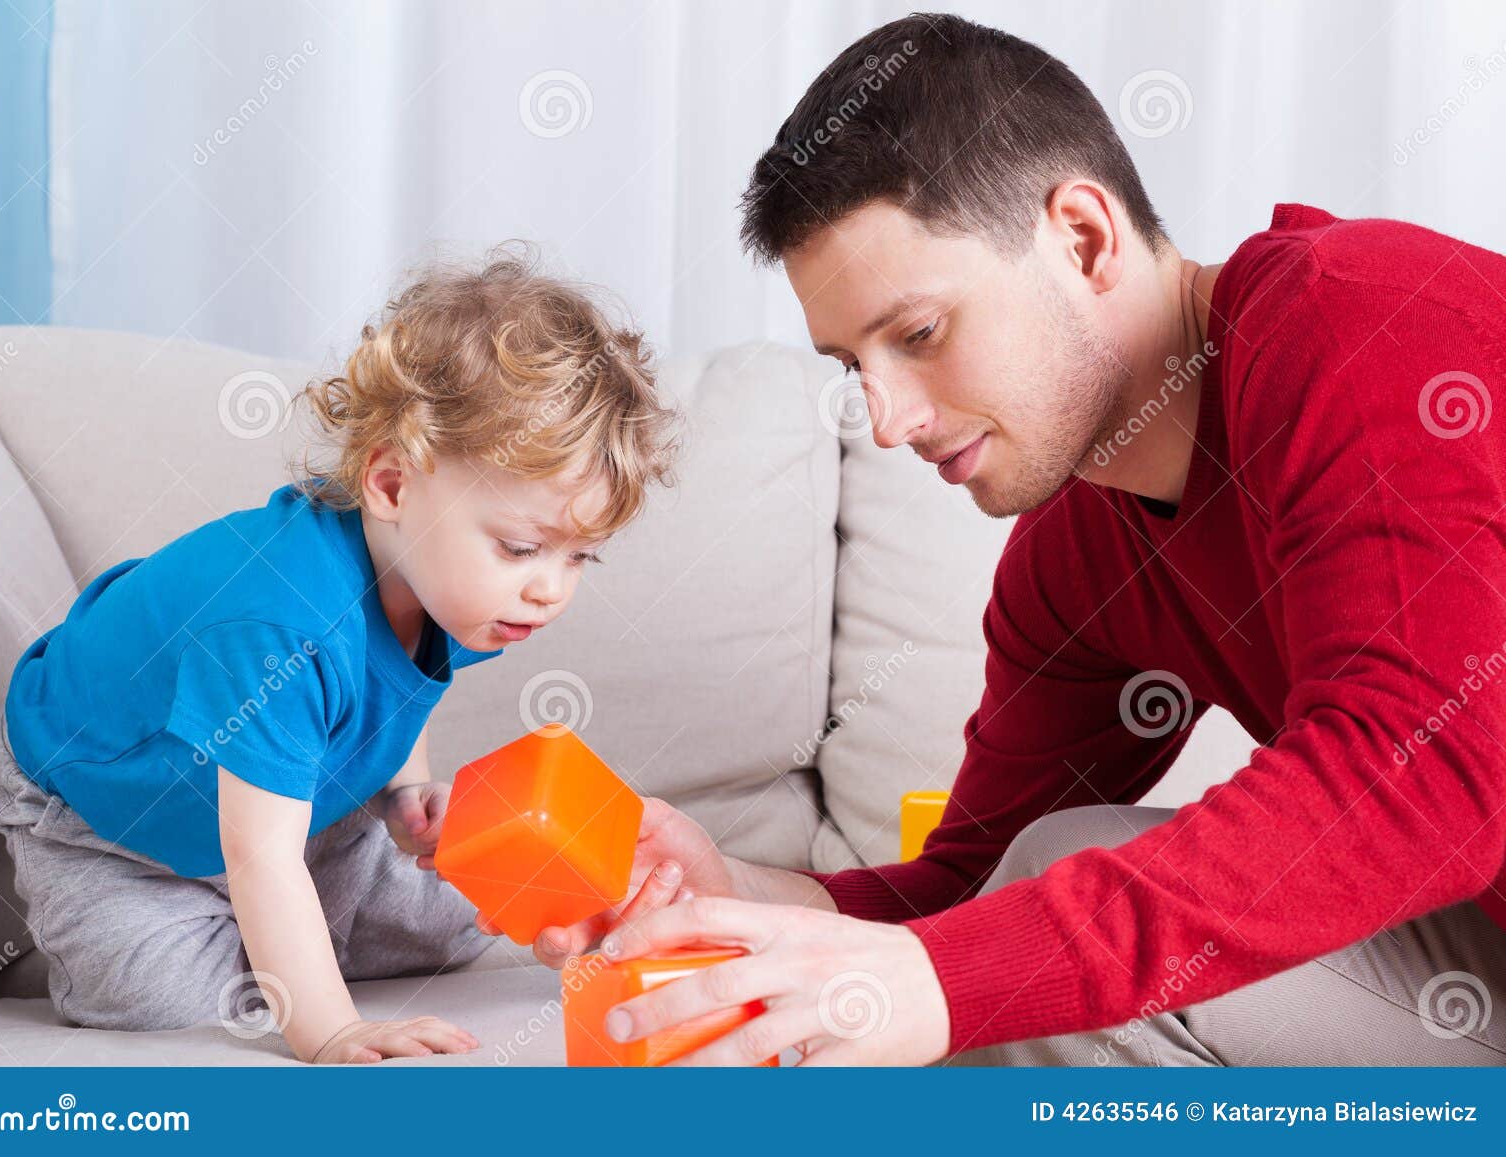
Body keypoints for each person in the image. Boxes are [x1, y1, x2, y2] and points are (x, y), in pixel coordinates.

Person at [498, 14, 1506, 1066]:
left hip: (1458, 875)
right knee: (1048, 870)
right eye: (853, 362)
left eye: (920, 334)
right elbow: (965, 888)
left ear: (1081, 238)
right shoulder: (1070, 555)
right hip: (1476, 947)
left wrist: (942, 979)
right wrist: (742, 891)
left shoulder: (1357, 320)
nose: (885, 418)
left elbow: (1419, 778)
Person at [0, 250, 679, 1064]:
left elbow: (403, 691)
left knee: (460, 913)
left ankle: (281, 924)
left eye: (578, 558)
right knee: (157, 992)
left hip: (290, 805)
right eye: (525, 546)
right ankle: (242, 929)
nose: (550, 590)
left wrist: (406, 793)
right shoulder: (284, 623)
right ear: (390, 485)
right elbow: (258, 850)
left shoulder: (456, 583)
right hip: (111, 819)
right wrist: (330, 1028)